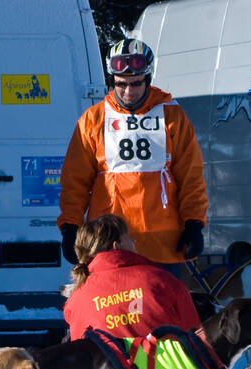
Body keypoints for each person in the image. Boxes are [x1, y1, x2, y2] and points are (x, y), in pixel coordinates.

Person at [57, 39, 208, 275]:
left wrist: (194, 222)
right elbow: (75, 181)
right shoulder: (93, 120)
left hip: (162, 241)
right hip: (109, 242)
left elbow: (191, 175)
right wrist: (70, 226)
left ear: (147, 79)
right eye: (121, 84)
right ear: (112, 81)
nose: (128, 91)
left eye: (136, 83)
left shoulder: (172, 117)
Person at [62, 214, 208, 369]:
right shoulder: (162, 280)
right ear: (117, 245)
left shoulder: (77, 298)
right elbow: (195, 339)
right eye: (130, 237)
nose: (135, 242)